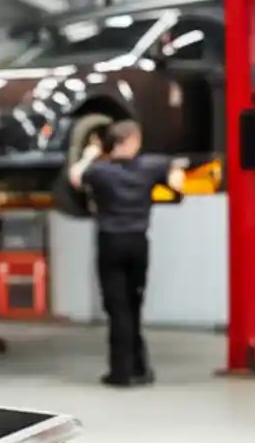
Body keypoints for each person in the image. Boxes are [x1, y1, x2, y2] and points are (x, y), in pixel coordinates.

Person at [69, 120, 186, 388]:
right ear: (131, 141)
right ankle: (140, 368)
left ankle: (121, 372)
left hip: (110, 243)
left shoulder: (100, 171)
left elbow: (75, 177)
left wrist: (89, 154)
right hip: (138, 243)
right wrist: (176, 184)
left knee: (117, 308)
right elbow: (176, 173)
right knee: (133, 306)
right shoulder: (150, 167)